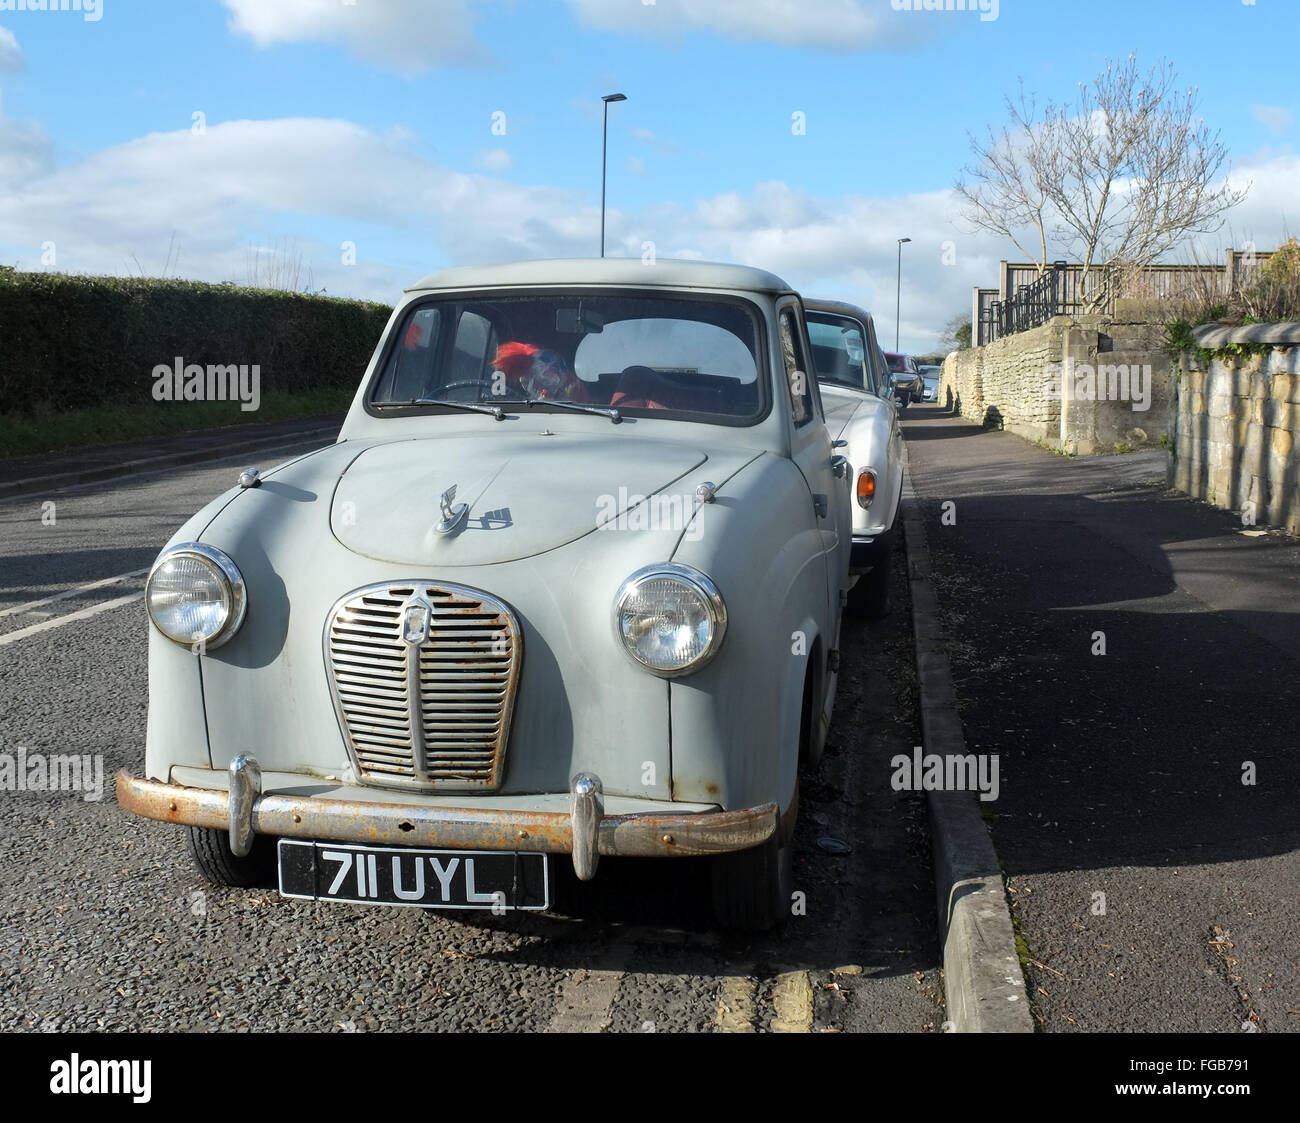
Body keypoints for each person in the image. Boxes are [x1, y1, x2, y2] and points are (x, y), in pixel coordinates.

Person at [491, 341, 589, 402]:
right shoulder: (508, 395)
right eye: (546, 359)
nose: (553, 367)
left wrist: (572, 399)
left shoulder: (570, 390)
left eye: (561, 366)